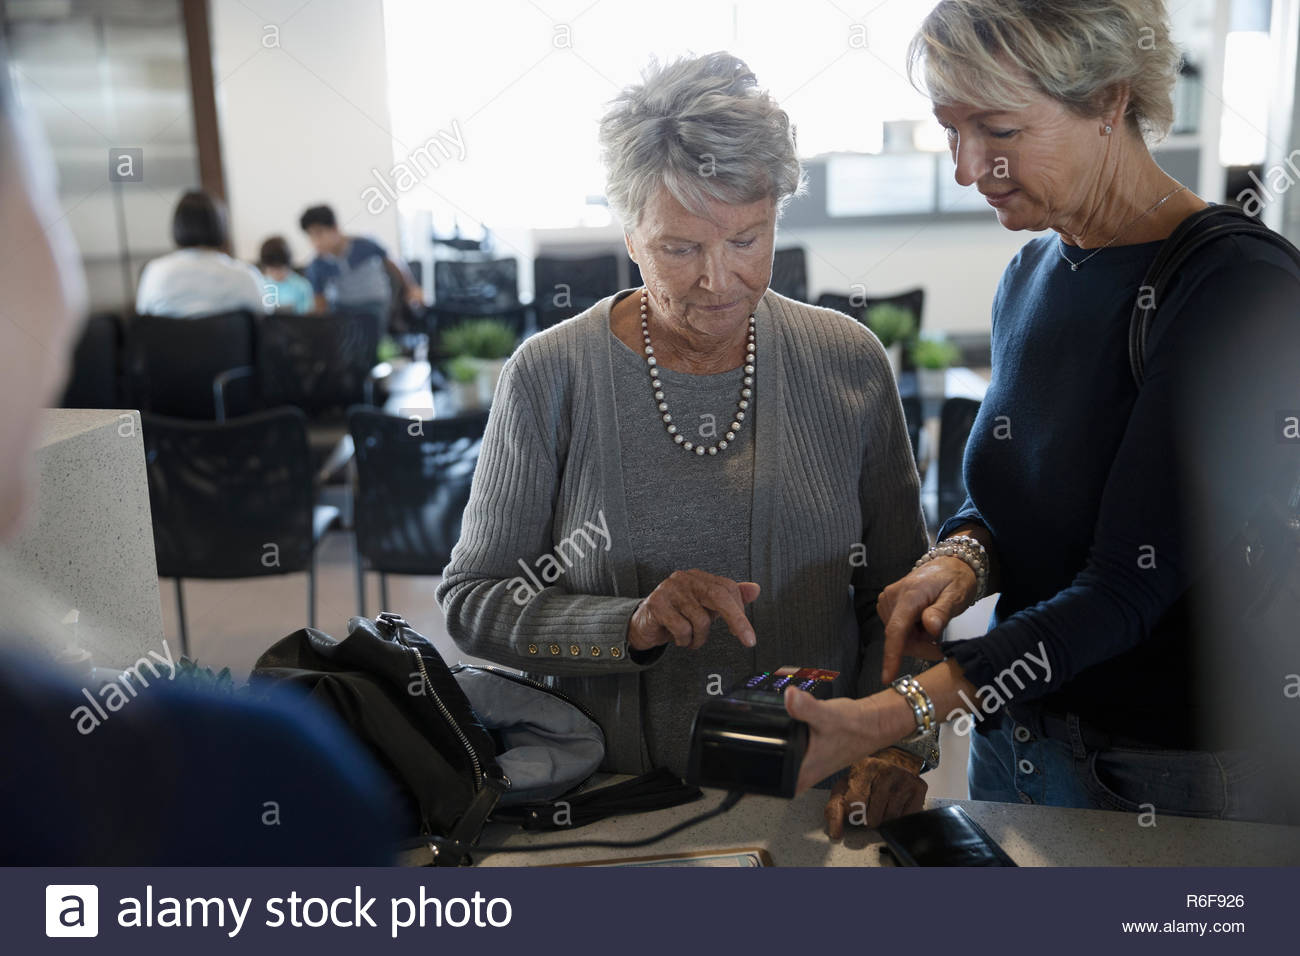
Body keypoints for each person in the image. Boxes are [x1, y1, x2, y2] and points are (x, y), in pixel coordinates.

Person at [786, 0, 1300, 825]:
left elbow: (1126, 587)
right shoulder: (1030, 271)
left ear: (1111, 102)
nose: (966, 167)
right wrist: (958, 557)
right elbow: (1012, 492)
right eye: (949, 130)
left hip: (1170, 779)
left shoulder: (1236, 287)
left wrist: (889, 715)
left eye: (997, 130)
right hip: (1020, 740)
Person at [438, 52, 937, 832]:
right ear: (630, 233)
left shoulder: (847, 362)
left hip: (811, 801)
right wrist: (628, 624)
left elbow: (902, 598)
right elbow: (474, 603)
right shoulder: (549, 374)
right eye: (680, 248)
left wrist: (897, 744)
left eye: (748, 239)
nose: (719, 279)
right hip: (612, 801)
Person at [0, 50, 401, 863]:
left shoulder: (151, 281)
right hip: (257, 439)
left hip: (160, 448)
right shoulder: (233, 772)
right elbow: (285, 324)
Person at [134, 189, 267, 317]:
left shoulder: (155, 273)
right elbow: (265, 320)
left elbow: (144, 321)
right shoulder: (244, 276)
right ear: (221, 224)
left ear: (177, 226)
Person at [299, 203, 422, 325]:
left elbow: (393, 264)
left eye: (319, 233)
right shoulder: (317, 265)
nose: (315, 241)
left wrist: (411, 289)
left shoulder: (365, 245)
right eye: (310, 236)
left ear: (335, 228)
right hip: (342, 309)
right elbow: (320, 303)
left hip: (373, 304)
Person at [258, 235, 315, 314]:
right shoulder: (260, 285)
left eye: (279, 268)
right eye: (271, 268)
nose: (275, 273)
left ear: (288, 264)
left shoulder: (302, 286)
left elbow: (306, 317)